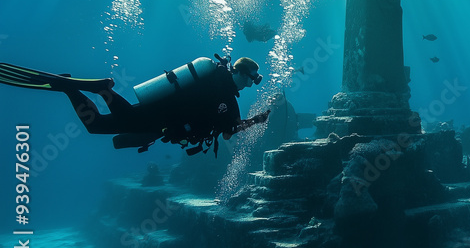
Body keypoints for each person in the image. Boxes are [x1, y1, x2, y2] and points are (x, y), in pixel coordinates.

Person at [0, 55, 270, 155]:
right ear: (239, 72)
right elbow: (228, 132)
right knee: (109, 123)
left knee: (100, 125)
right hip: (159, 118)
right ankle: (97, 89)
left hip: (159, 120)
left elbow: (224, 128)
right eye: (251, 78)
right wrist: (256, 121)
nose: (250, 84)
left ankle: (73, 87)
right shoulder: (224, 95)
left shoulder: (220, 88)